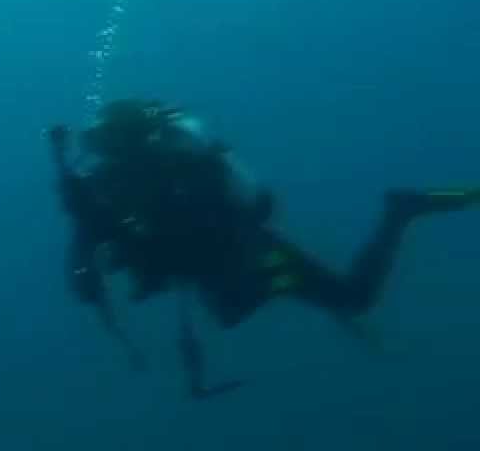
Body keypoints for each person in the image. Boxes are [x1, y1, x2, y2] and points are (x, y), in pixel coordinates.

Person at [45, 99, 478, 394]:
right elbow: (95, 254)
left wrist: (98, 248)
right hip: (235, 258)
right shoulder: (118, 182)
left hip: (250, 255)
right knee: (244, 311)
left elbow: (95, 259)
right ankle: (307, 283)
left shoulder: (119, 181)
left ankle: (400, 210)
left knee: (354, 298)